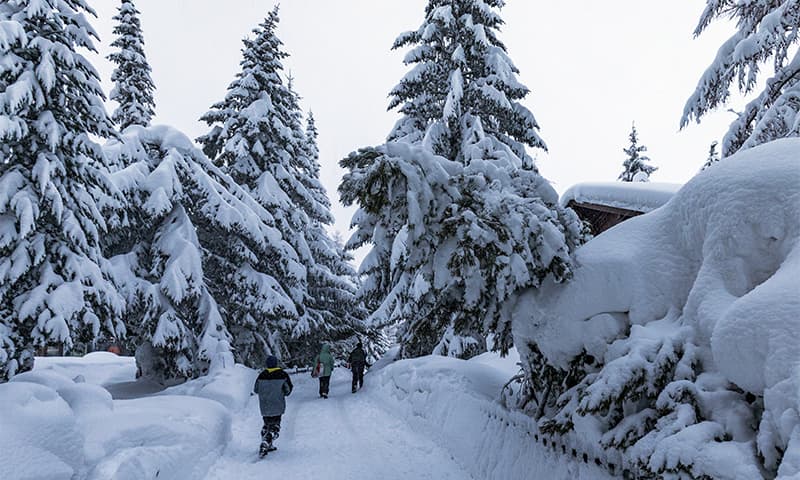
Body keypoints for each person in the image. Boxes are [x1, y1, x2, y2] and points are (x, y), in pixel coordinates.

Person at [253, 355, 293, 457]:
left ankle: (267, 443)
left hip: (265, 405)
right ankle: (267, 440)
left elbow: (256, 389)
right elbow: (288, 390)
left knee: (267, 423)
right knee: (275, 425)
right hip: (277, 403)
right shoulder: (282, 374)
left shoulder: (261, 375)